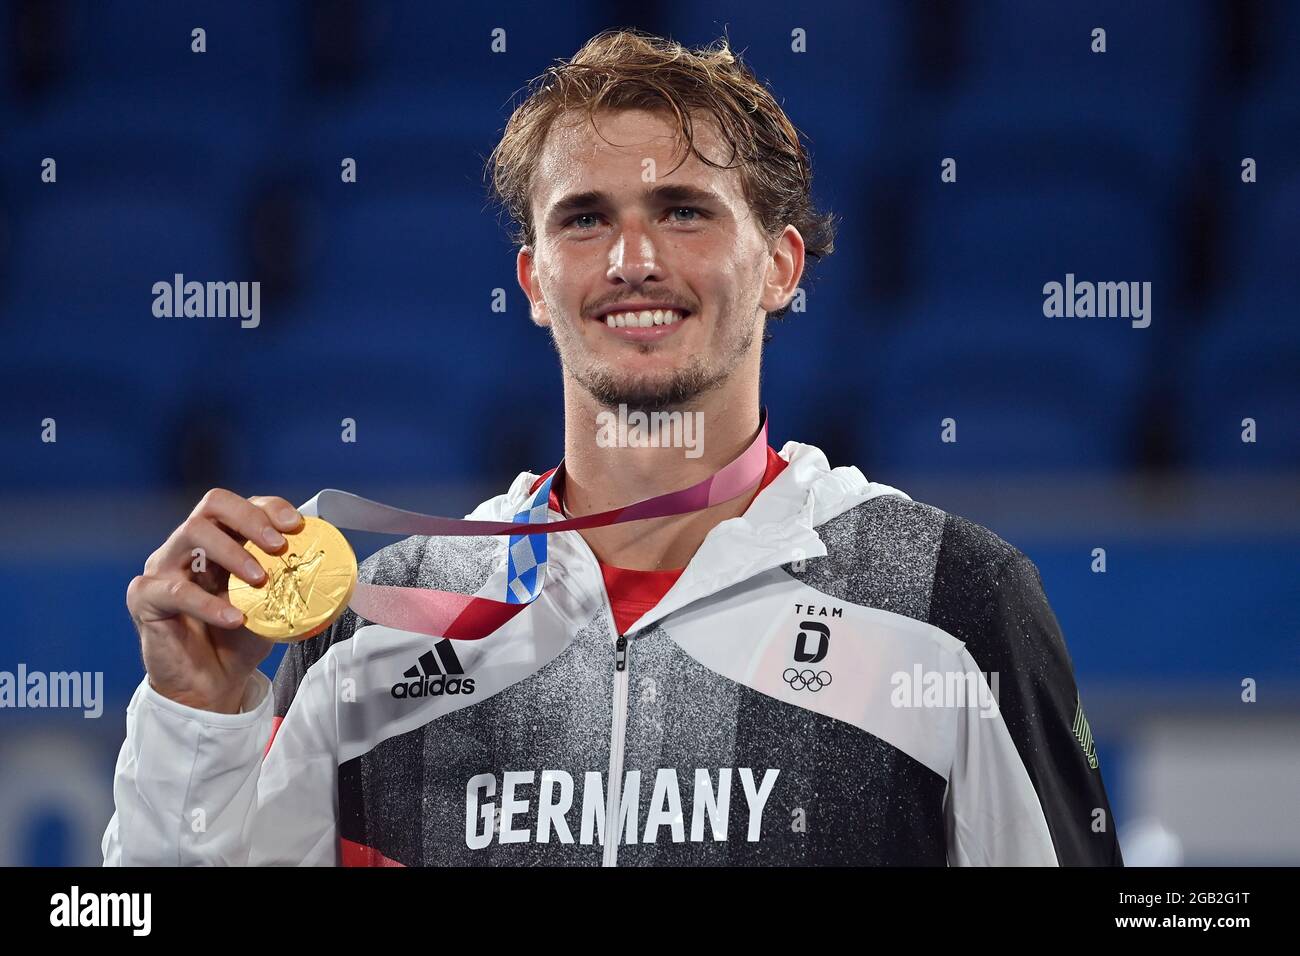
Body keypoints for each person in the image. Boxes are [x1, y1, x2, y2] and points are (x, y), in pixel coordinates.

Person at [103, 29, 1122, 866]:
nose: (633, 259)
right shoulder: (385, 621)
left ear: (778, 266)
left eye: (682, 211)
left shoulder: (947, 601)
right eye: (584, 220)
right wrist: (198, 716)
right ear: (535, 281)